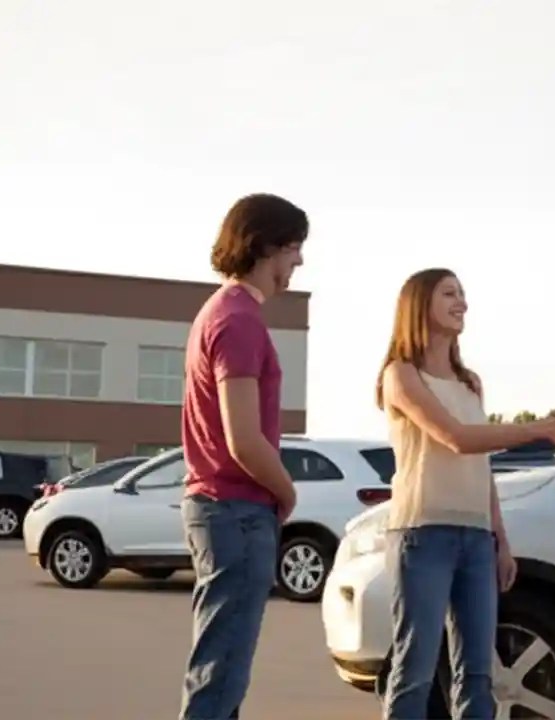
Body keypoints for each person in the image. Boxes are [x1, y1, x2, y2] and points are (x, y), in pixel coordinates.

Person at [376, 267, 555, 720]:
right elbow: (456, 437)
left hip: (476, 539)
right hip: (422, 533)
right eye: (449, 293)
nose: (462, 302)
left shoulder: (469, 382)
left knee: (477, 673)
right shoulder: (401, 375)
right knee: (414, 667)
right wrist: (541, 429)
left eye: (463, 294)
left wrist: (501, 538)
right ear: (419, 305)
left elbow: (480, 462)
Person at [178, 193, 308, 720]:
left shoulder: (220, 312)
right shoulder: (239, 320)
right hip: (236, 510)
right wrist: (287, 490)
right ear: (268, 246)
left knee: (220, 669)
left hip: (222, 509)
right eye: (295, 247)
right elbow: (245, 439)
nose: (298, 261)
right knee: (221, 676)